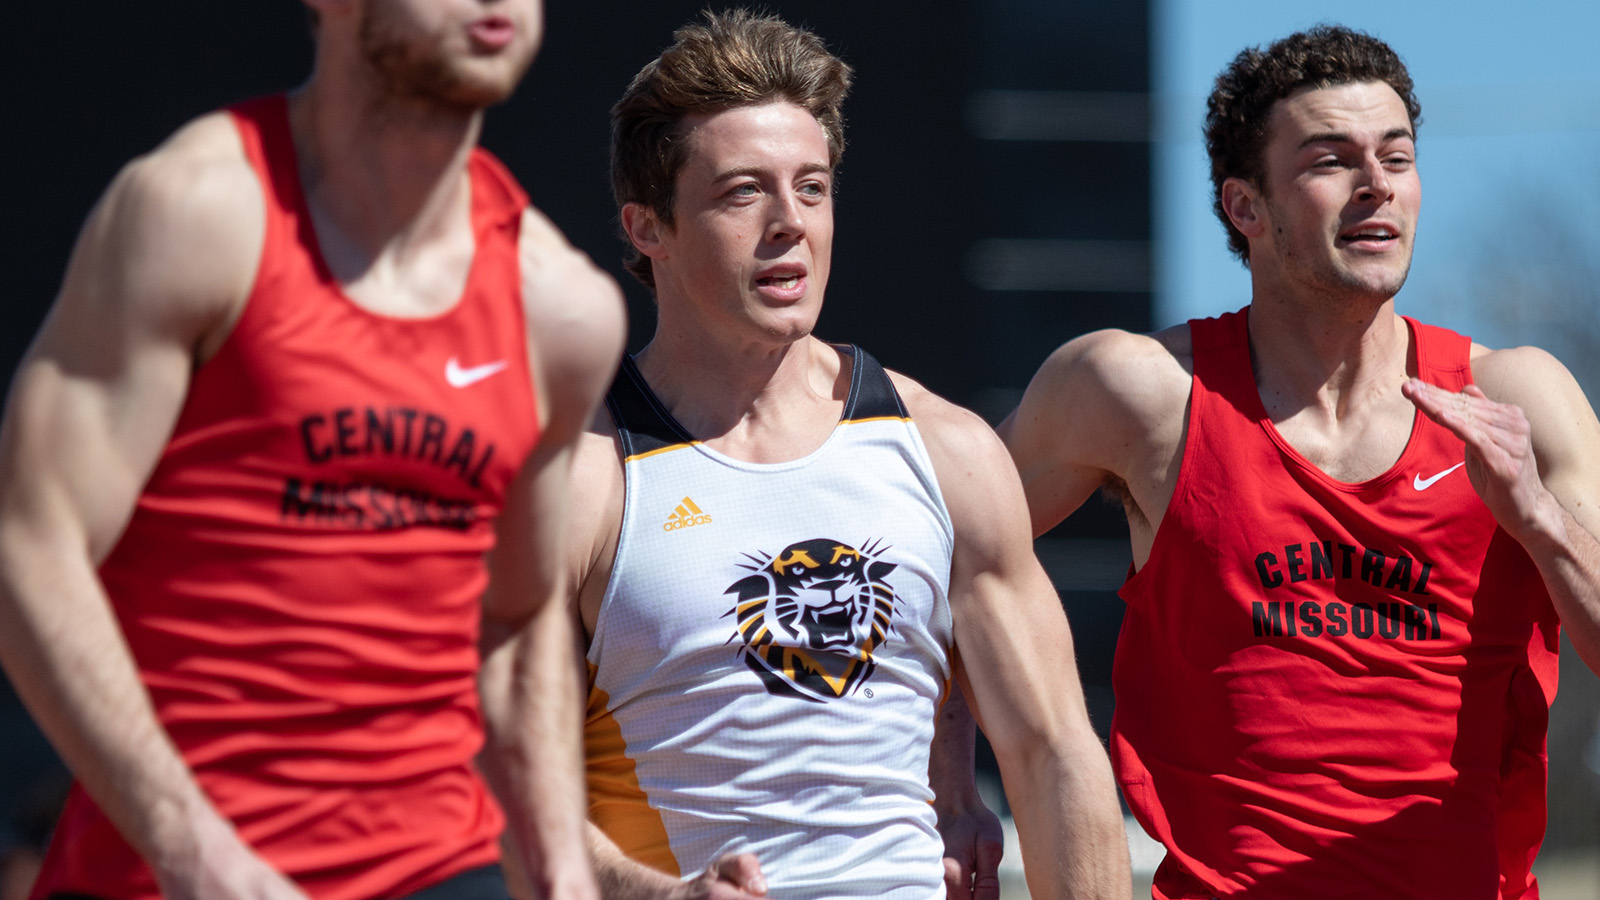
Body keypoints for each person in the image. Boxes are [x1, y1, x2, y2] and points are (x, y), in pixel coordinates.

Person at [0, 1, 624, 898]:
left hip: (436, 866)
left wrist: (564, 876)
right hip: (173, 870)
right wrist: (199, 857)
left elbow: (514, 621)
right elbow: (34, 542)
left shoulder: (559, 307)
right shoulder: (198, 212)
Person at [524, 9, 1129, 900]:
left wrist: (959, 785)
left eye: (811, 188)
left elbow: (1052, 754)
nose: (788, 223)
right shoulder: (577, 476)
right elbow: (497, 783)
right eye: (742, 192)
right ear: (648, 227)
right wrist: (656, 895)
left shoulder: (943, 448)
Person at [1002, 24, 1600, 899]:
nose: (1376, 187)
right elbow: (929, 559)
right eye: (1332, 161)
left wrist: (1537, 519)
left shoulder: (1517, 399)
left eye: (1397, 158)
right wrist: (950, 783)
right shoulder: (1140, 392)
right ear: (1246, 207)